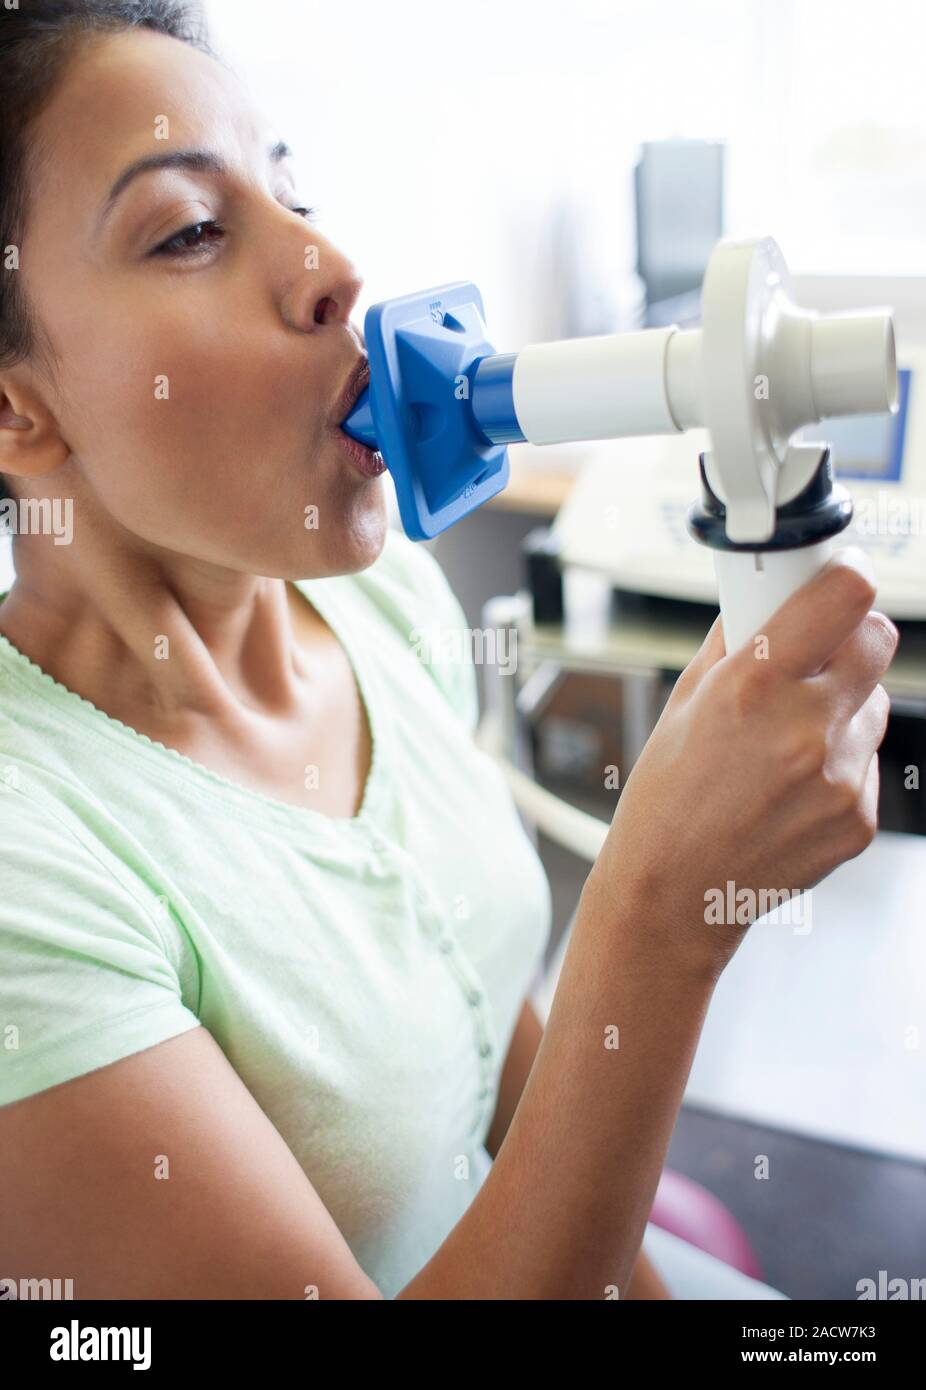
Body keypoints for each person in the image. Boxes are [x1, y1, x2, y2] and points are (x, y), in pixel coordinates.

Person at [0, 0, 896, 1301]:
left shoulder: (380, 603)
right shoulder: (29, 866)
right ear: (18, 407)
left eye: (291, 187)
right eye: (190, 229)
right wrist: (657, 918)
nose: (331, 264)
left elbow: (501, 1061)